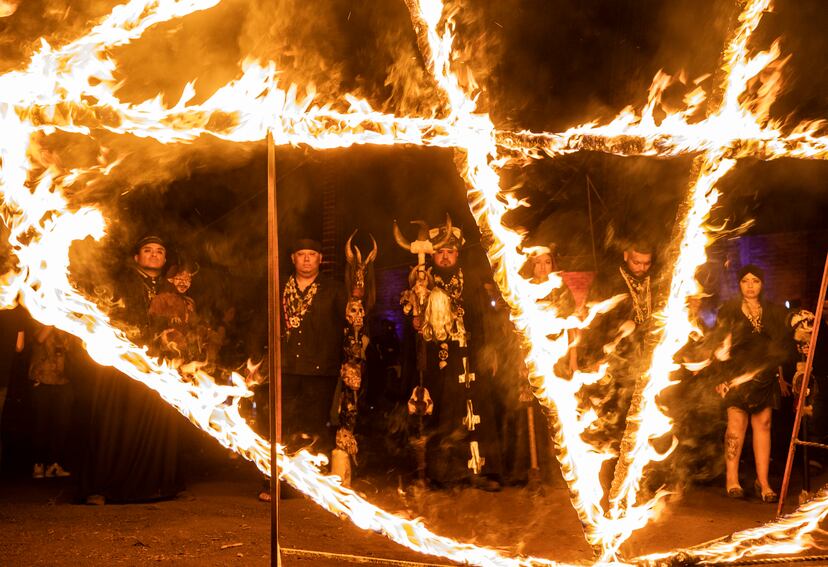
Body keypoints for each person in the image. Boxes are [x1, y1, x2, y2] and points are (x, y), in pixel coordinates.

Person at [79, 235, 184, 504]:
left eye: (160, 251)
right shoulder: (120, 283)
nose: (154, 254)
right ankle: (102, 486)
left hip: (158, 366)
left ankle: (153, 485)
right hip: (124, 363)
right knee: (117, 423)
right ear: (137, 257)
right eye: (148, 250)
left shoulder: (169, 290)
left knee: (157, 420)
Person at [402, 222, 502, 490]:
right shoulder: (423, 285)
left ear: (457, 254)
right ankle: (447, 474)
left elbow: (483, 320)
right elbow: (410, 320)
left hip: (470, 354)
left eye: (450, 251)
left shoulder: (471, 284)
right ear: (432, 255)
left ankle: (480, 472)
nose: (445, 256)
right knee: (446, 414)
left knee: (477, 413)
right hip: (441, 360)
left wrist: (489, 350)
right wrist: (415, 319)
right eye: (440, 252)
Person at [714, 264, 792, 502]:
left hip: (764, 376)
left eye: (755, 281)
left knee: (764, 425)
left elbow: (780, 343)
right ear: (739, 284)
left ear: (762, 284)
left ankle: (763, 481)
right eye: (745, 280)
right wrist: (720, 378)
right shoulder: (729, 310)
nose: (750, 285)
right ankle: (732, 479)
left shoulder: (772, 311)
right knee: (736, 425)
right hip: (736, 375)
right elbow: (718, 344)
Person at [280, 238, 346, 461]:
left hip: (320, 372)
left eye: (311, 254)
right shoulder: (279, 287)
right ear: (293, 259)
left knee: (314, 428)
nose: (306, 259)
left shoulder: (334, 289)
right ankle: (279, 481)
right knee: (284, 426)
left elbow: (349, 326)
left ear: (321, 259)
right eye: (301, 254)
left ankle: (311, 482)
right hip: (286, 369)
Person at [28, 324, 73, 479]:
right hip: (41, 379)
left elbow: (69, 346)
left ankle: (54, 464)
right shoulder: (39, 318)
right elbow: (39, 338)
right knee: (40, 423)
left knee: (61, 424)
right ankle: (38, 464)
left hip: (62, 380)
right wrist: (53, 319)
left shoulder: (65, 322)